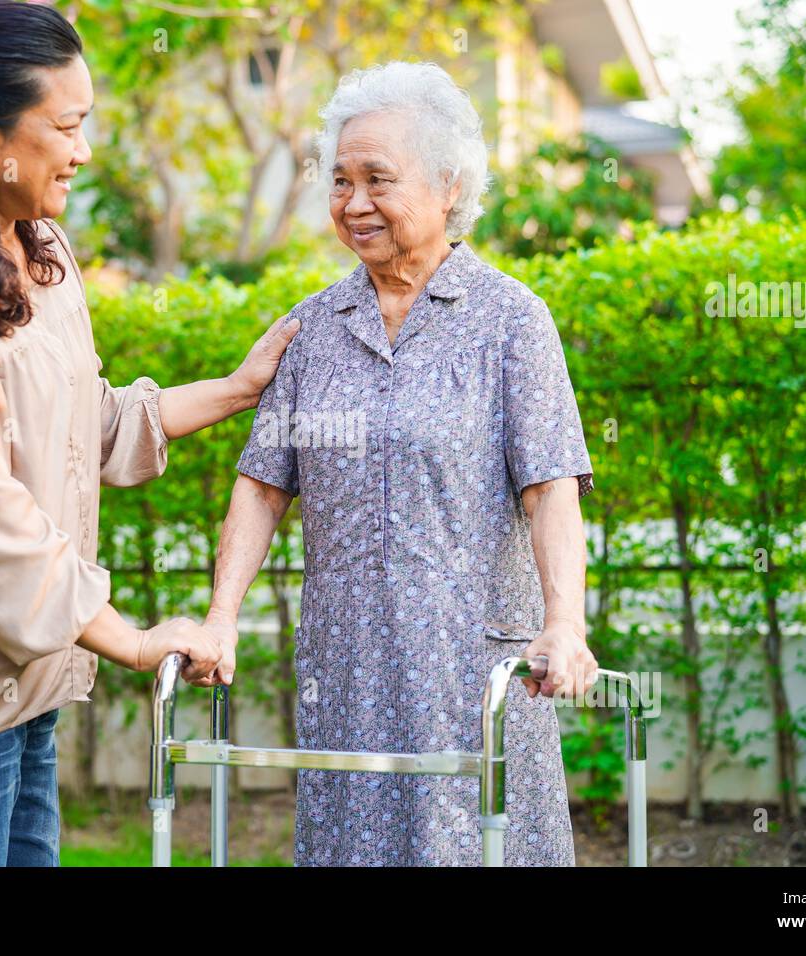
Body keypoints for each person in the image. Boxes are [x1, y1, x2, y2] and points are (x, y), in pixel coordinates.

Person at [0, 0, 296, 867]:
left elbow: (87, 425)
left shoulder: (39, 251)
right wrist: (135, 640)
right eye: (67, 125)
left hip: (20, 679)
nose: (85, 149)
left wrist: (237, 388)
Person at [198, 61, 598, 866]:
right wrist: (220, 618)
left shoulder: (511, 320)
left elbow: (550, 487)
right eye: (340, 180)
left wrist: (566, 623)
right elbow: (263, 487)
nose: (353, 203)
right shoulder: (314, 327)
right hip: (346, 670)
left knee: (479, 846)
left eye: (378, 179)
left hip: (473, 666)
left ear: (448, 186)